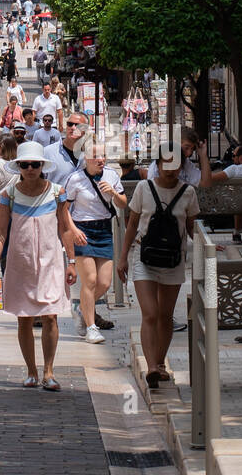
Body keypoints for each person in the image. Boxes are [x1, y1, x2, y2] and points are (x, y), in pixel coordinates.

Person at [0, 142, 78, 390]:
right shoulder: (10, 194)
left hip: (50, 263)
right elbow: (0, 231)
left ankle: (49, 371)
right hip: (21, 263)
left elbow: (65, 228)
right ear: (18, 166)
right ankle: (31, 371)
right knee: (24, 318)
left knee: (50, 316)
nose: (30, 169)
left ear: (42, 166)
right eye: (25, 164)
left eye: (35, 164)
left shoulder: (57, 192)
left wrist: (71, 261)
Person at [118, 146, 201, 387]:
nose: (172, 169)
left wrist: (208, 245)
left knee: (166, 316)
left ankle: (160, 363)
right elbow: (132, 224)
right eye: (167, 163)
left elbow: (192, 226)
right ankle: (151, 366)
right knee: (151, 313)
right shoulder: (144, 188)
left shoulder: (188, 193)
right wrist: (123, 257)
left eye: (177, 165)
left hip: (173, 260)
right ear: (159, 164)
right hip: (145, 258)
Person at [64, 153, 126, 343]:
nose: (101, 160)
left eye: (104, 156)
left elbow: (124, 203)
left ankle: (82, 308)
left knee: (105, 283)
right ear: (86, 159)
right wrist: (74, 230)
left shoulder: (111, 175)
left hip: (104, 229)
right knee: (90, 280)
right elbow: (63, 209)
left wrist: (114, 193)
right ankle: (91, 328)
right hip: (83, 229)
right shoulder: (75, 179)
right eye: (95, 156)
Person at [145, 127, 212, 189]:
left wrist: (203, 156)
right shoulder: (157, 167)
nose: (189, 153)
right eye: (186, 148)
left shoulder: (186, 163)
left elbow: (205, 184)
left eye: (192, 149)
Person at [42, 113, 89, 184]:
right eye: (70, 124)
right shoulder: (47, 152)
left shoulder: (91, 154)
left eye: (78, 125)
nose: (73, 128)